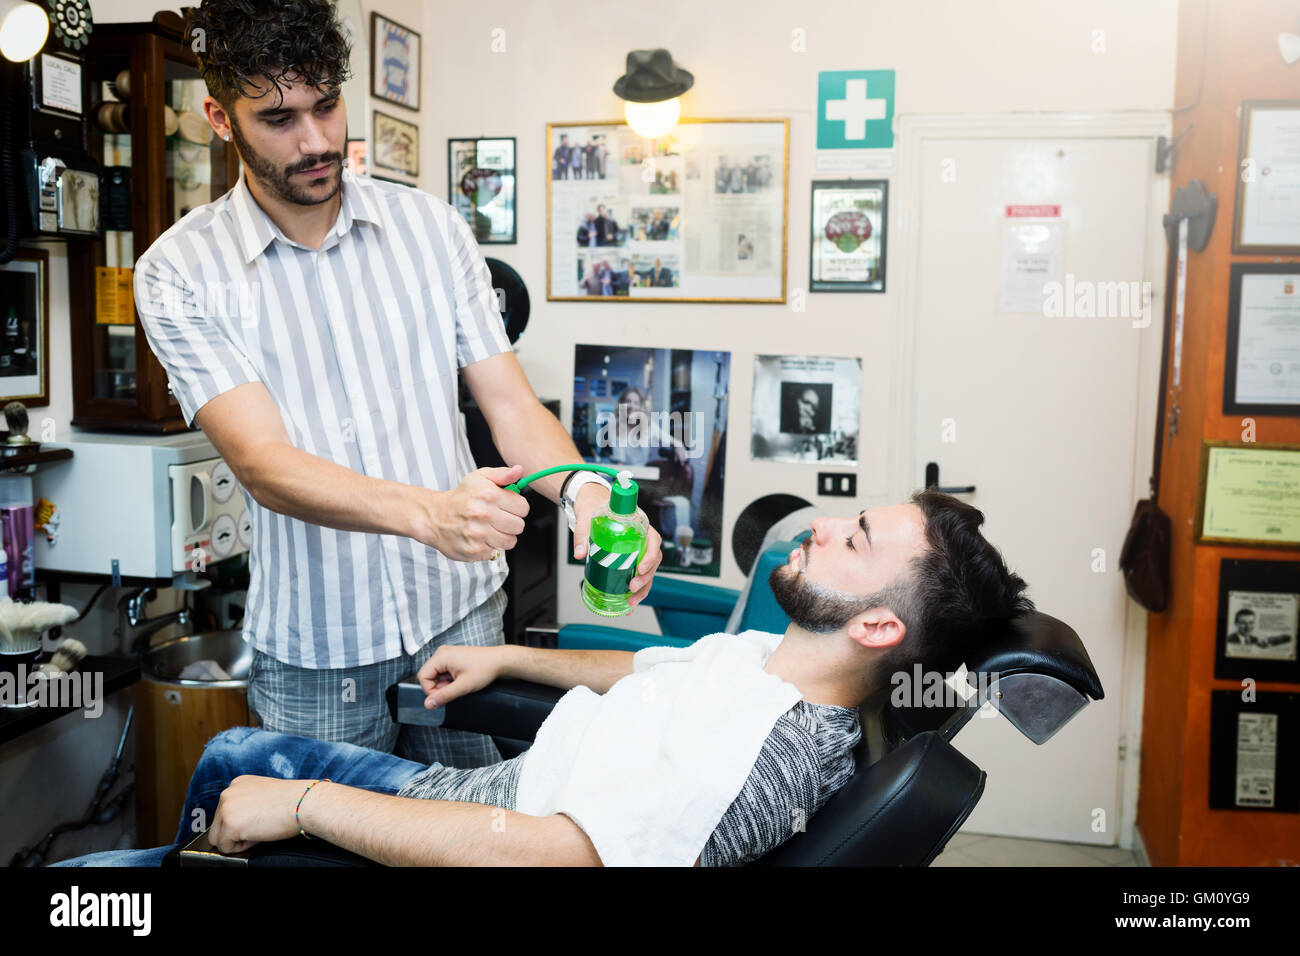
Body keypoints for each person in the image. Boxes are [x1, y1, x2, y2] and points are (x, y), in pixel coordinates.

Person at [132, 0, 663, 770]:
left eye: (326, 106)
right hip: (317, 644)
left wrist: (587, 495)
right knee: (320, 850)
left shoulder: (431, 229)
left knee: (478, 834)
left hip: (465, 616)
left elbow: (510, 403)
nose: (316, 142)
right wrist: (428, 513)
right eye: (280, 118)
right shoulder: (179, 272)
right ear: (220, 117)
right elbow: (261, 461)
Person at [52, 492, 1033, 867]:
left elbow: (538, 853)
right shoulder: (768, 664)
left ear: (876, 622)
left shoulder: (752, 757)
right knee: (229, 753)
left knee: (86, 888)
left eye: (853, 538)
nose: (823, 522)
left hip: (490, 834)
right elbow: (643, 666)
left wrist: (306, 805)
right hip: (486, 794)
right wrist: (508, 655)